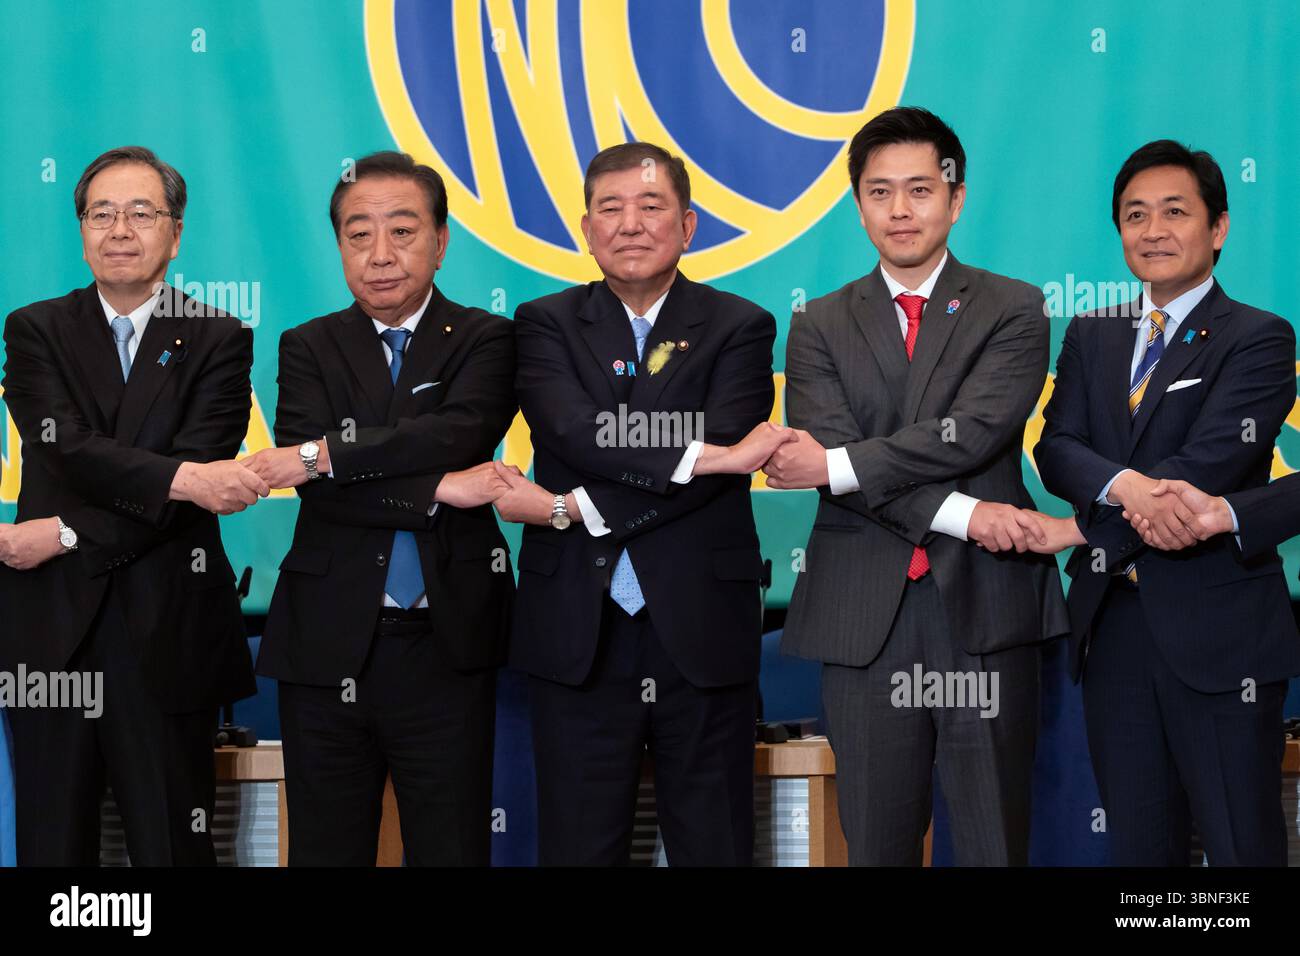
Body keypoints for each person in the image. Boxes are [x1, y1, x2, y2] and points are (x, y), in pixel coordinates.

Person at [768, 107, 1069, 865]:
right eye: (879, 193)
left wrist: (838, 467)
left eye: (919, 190)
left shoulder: (1014, 307)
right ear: (858, 203)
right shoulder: (818, 323)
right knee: (876, 843)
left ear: (955, 198)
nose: (900, 211)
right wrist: (966, 513)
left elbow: (972, 433)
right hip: (865, 614)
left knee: (993, 839)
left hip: (985, 608)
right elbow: (836, 448)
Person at [505, 142, 790, 865]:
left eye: (651, 205)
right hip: (578, 627)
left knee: (713, 845)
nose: (630, 224)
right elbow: (573, 430)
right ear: (585, 227)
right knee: (578, 848)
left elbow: (722, 444)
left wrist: (574, 507)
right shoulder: (544, 323)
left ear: (689, 226)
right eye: (611, 209)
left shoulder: (741, 325)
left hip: (700, 630)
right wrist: (706, 456)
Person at [246, 152, 517, 865]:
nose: (380, 254)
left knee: (452, 845)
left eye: (402, 231)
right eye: (358, 235)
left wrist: (325, 452)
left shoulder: (486, 338)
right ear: (338, 245)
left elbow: (456, 432)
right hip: (327, 637)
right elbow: (320, 492)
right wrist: (437, 487)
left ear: (440, 240)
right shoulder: (308, 344)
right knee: (326, 848)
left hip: (446, 639)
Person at [1033, 140, 1300, 865]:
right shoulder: (1092, 334)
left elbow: (1213, 459)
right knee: (1140, 854)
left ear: (1218, 228)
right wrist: (1126, 489)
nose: (1153, 230)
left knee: (1240, 847)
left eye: (1175, 212)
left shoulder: (1259, 337)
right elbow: (1057, 449)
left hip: (1220, 635)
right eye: (1135, 215)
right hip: (1113, 629)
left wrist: (1089, 527)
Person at [0, 146, 263, 865]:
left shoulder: (219, 336)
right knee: (53, 849)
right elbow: (68, 450)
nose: (119, 228)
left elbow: (196, 471)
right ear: (81, 230)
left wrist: (63, 533)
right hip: (53, 637)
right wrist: (183, 478)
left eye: (141, 212)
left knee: (172, 847)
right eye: (101, 213)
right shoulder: (35, 329)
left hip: (167, 628)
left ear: (174, 235)